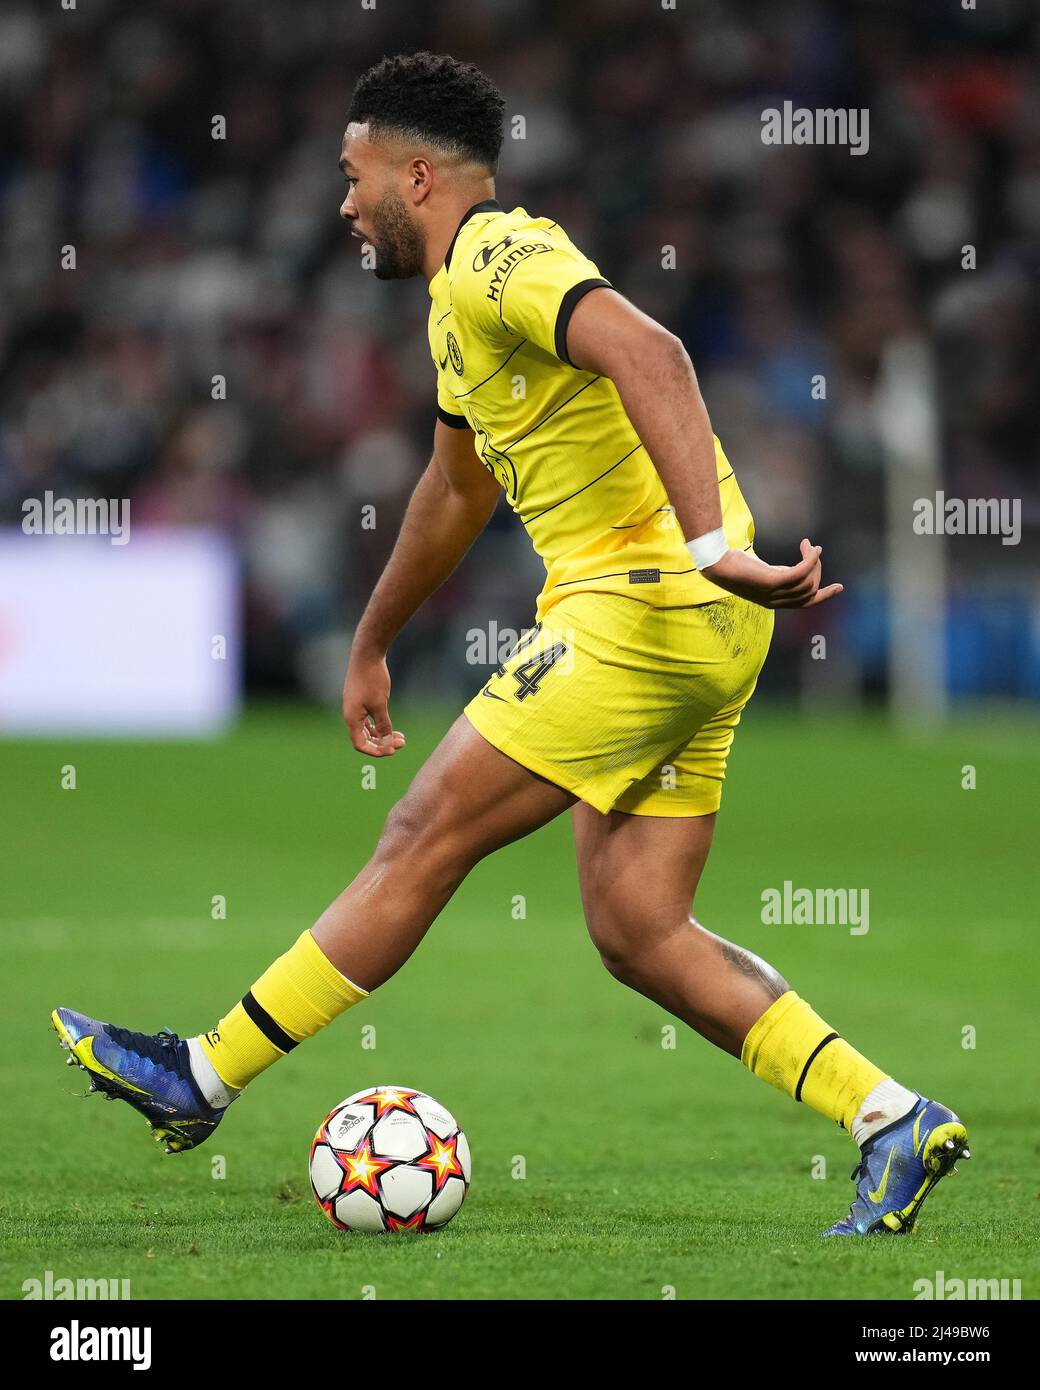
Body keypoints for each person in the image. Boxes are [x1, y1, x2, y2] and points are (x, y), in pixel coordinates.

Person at [53, 51, 968, 1237]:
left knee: (421, 834)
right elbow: (451, 490)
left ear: (417, 177)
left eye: (352, 175)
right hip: (695, 631)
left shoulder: (498, 256)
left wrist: (705, 547)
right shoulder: (456, 312)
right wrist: (371, 640)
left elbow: (654, 353)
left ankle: (200, 1073)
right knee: (637, 929)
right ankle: (888, 1115)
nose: (340, 204)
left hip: (642, 609)